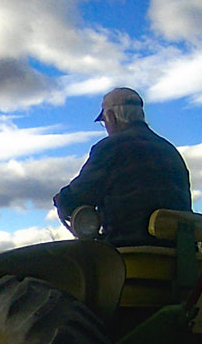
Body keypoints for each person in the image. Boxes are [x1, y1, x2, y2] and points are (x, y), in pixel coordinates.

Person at [53, 87, 192, 247]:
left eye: (104, 121)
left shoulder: (110, 148)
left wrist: (62, 199)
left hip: (128, 251)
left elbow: (79, 194)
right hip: (181, 252)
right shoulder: (170, 150)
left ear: (111, 117)